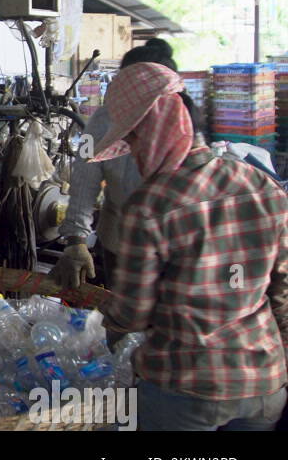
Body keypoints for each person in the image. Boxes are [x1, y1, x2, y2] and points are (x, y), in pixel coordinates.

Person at [88, 61, 287, 431]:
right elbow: (282, 294)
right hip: (264, 383)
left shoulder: (149, 207)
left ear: (154, 128)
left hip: (185, 391)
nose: (132, 149)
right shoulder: (263, 187)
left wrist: (102, 321)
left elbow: (134, 312)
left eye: (132, 138)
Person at [53, 38, 180, 290]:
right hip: (121, 245)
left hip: (176, 250)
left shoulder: (181, 119)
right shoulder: (100, 123)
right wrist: (76, 239)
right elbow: (83, 179)